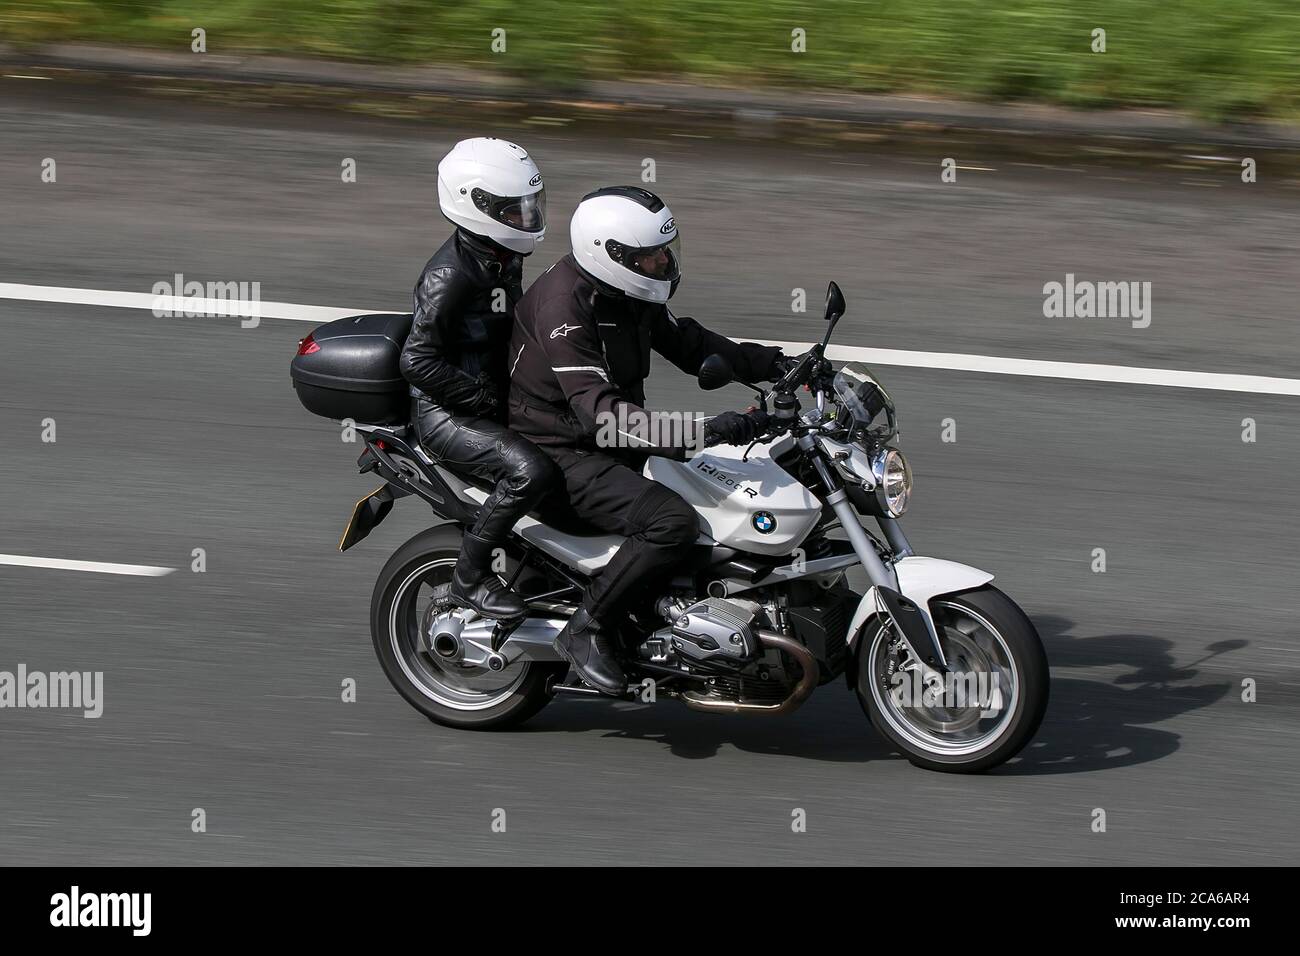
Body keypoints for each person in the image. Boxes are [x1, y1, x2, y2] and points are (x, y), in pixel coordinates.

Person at [507, 186, 798, 694]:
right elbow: (602, 415)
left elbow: (690, 344)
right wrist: (702, 432)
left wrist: (779, 364)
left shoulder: (628, 290)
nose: (664, 263)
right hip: (560, 451)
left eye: (667, 250)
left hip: (606, 439)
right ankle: (587, 628)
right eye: (651, 256)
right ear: (612, 256)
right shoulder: (565, 308)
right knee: (671, 521)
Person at [400, 137, 557, 620]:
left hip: (490, 398)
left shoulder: (499, 255)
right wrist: (486, 398)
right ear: (476, 206)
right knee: (531, 471)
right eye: (514, 210)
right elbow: (417, 361)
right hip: (448, 416)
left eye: (530, 206)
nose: (526, 218)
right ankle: (469, 578)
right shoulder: (449, 277)